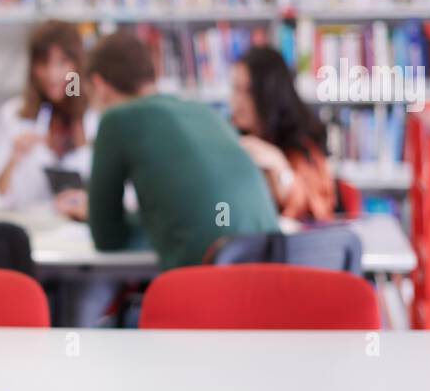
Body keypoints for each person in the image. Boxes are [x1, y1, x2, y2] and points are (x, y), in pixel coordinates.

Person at [86, 31, 280, 269]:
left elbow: (106, 237)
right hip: (271, 264)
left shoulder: (115, 120)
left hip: (205, 279)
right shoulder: (204, 112)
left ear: (99, 86)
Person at [0, 20, 99, 213]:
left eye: (62, 63)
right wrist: (14, 158)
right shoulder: (12, 114)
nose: (52, 75)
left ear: (77, 65)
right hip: (32, 226)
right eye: (44, 63)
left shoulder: (94, 116)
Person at [230, 45, 337, 222]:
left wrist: (278, 165)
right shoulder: (233, 137)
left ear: (269, 95)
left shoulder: (303, 146)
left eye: (247, 92)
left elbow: (319, 212)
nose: (236, 102)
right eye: (235, 89)